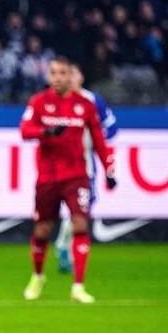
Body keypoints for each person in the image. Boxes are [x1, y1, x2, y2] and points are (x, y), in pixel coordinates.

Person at [20, 58, 116, 303]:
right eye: (54, 73)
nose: (58, 77)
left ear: (70, 76)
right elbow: (25, 131)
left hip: (77, 176)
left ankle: (78, 286)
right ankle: (38, 276)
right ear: (49, 76)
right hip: (48, 177)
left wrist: (108, 169)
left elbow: (98, 140)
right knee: (42, 230)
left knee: (80, 225)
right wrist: (46, 131)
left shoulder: (85, 105)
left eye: (63, 73)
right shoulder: (39, 102)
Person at [55, 64, 119, 273]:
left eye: (74, 74)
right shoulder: (56, 100)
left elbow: (112, 127)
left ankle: (65, 247)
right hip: (59, 163)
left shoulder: (92, 100)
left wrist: (96, 138)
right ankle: (64, 246)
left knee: (83, 207)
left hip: (85, 164)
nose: (70, 78)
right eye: (67, 74)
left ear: (81, 77)